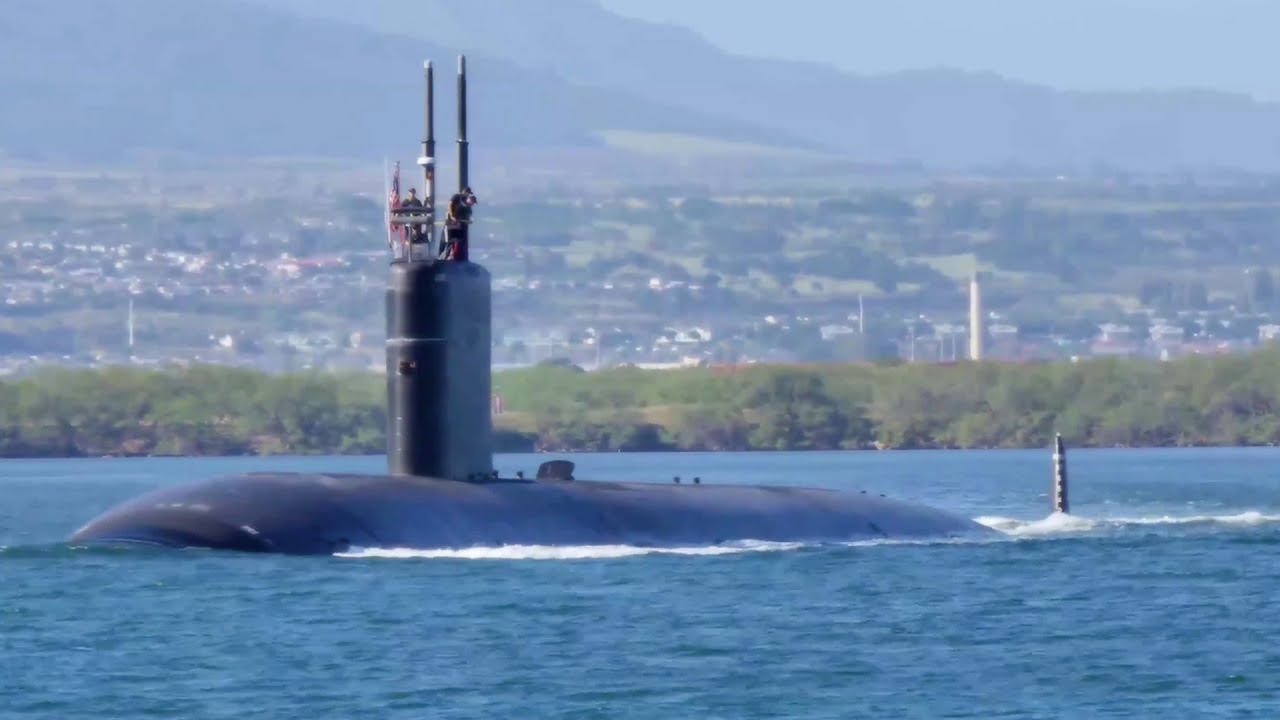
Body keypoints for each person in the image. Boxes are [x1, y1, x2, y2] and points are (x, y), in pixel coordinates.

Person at [442, 187, 478, 260]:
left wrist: (468, 221)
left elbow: (467, 217)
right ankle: (446, 256)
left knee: (458, 241)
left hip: (459, 226)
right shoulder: (457, 197)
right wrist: (452, 216)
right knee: (449, 241)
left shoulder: (468, 208)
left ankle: (454, 256)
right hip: (451, 224)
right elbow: (450, 205)